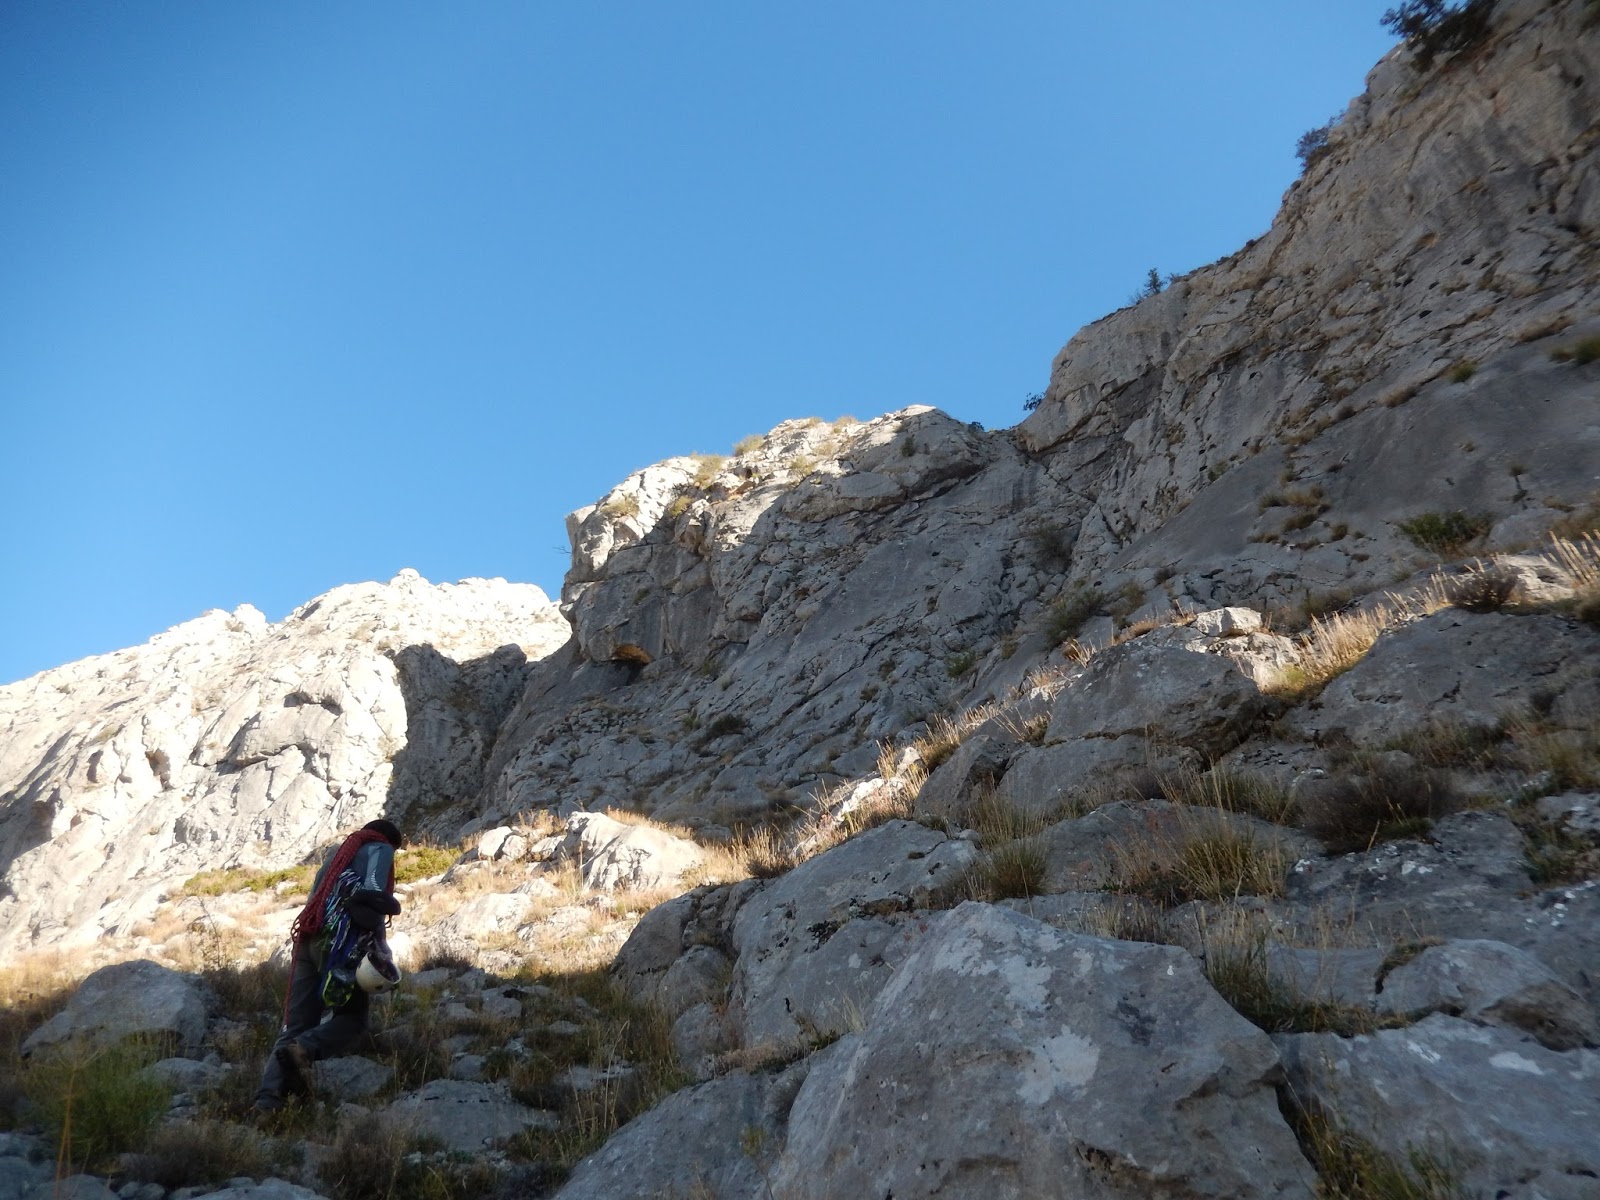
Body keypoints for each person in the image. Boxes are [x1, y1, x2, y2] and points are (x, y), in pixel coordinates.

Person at [254, 818, 405, 1112]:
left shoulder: (338, 856)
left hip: (309, 941)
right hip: (342, 947)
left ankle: (267, 1101)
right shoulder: (380, 848)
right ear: (390, 841)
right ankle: (304, 1050)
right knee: (353, 1018)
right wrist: (383, 936)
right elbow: (374, 895)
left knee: (295, 1025)